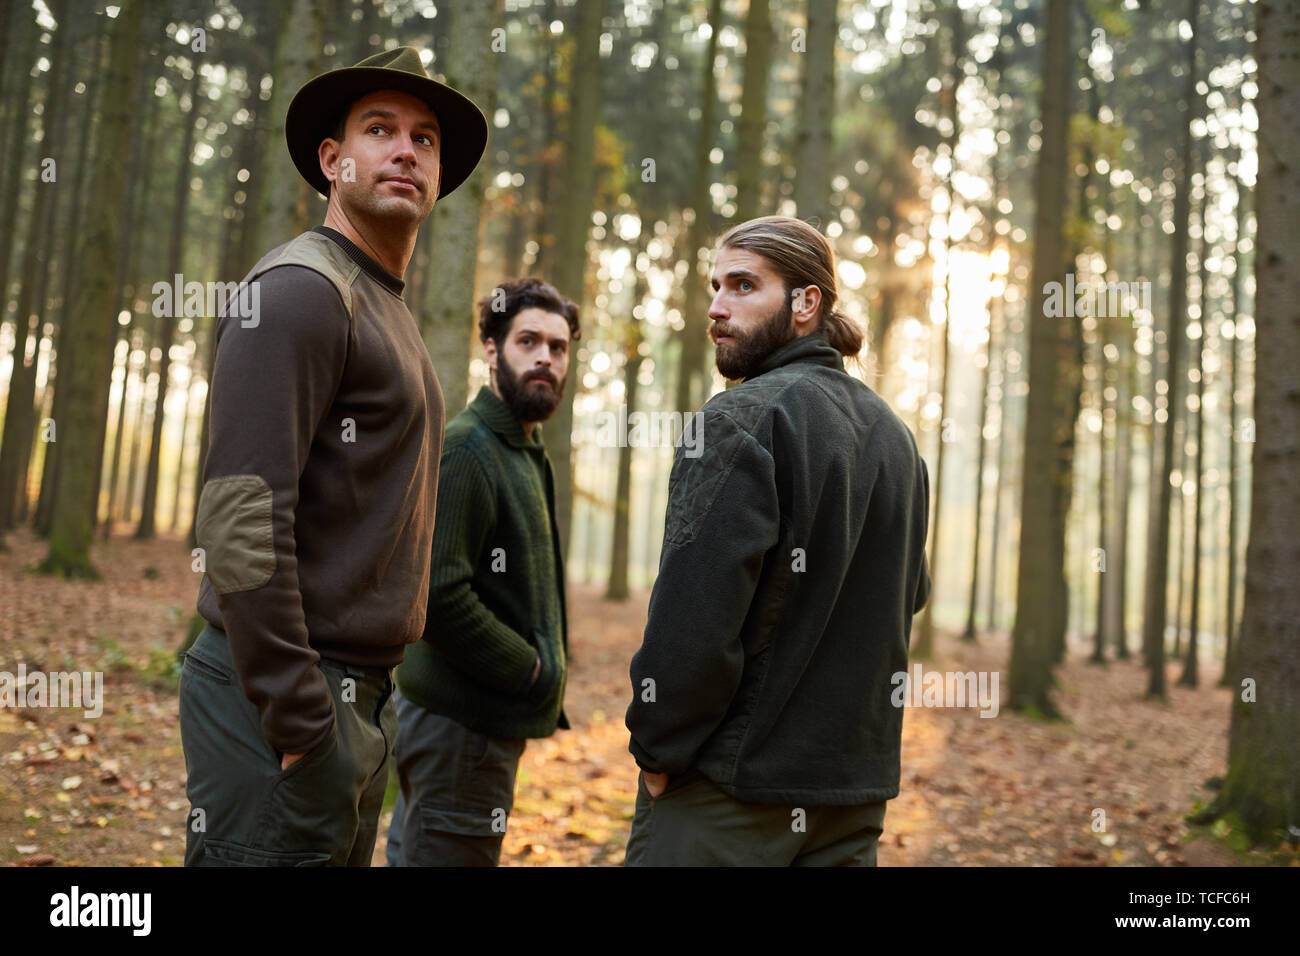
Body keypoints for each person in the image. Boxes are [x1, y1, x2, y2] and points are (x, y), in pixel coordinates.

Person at [180, 47, 487, 866]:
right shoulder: (297, 292)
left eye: (424, 139)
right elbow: (239, 515)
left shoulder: (380, 304)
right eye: (378, 129)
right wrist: (297, 716)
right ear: (331, 159)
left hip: (359, 699)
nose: (404, 150)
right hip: (284, 695)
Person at [624, 215, 932, 866]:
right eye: (714, 286)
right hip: (850, 796)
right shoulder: (897, 441)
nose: (715, 307)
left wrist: (658, 751)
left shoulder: (739, 419)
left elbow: (694, 618)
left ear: (805, 303)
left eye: (742, 286)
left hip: (729, 799)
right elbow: (909, 593)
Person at [385, 277, 579, 866]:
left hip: (474, 729)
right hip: (458, 729)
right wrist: (528, 669)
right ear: (493, 351)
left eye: (558, 346)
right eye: (528, 341)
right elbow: (439, 591)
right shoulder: (471, 449)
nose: (545, 356)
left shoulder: (520, 446)